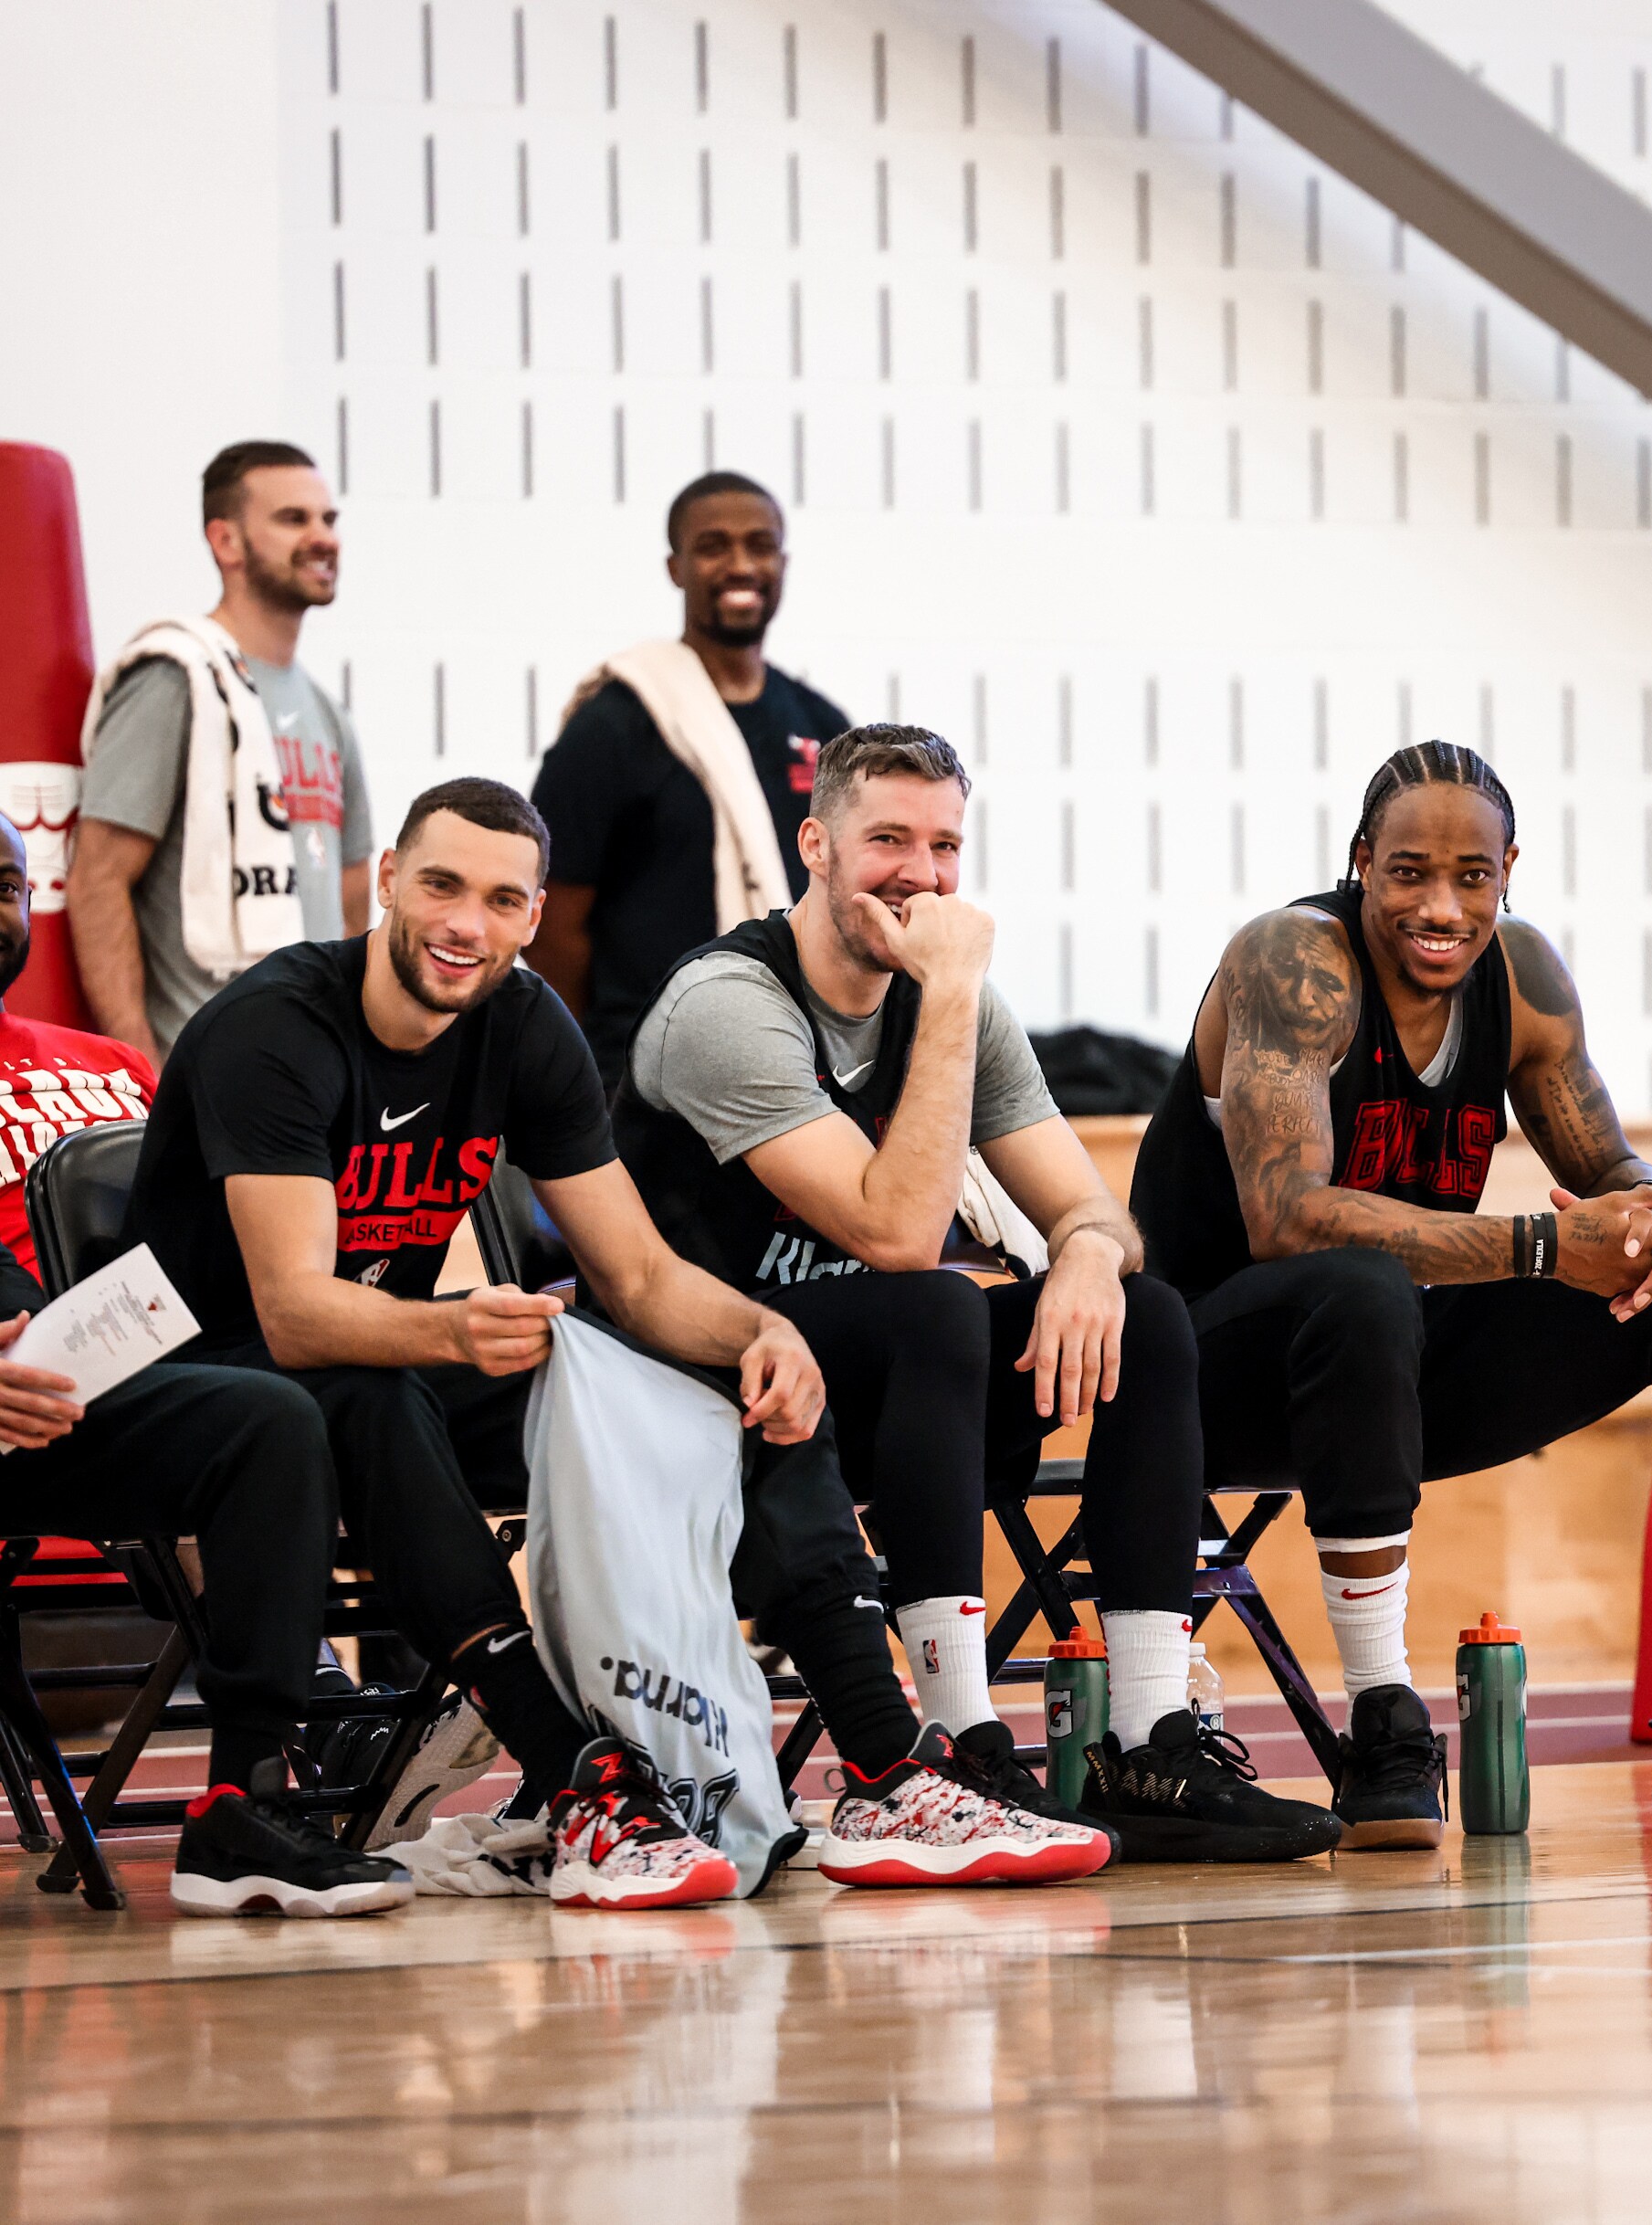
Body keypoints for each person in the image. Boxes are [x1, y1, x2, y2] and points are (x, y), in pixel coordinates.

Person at [126, 774, 1101, 1902]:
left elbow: (634, 1274)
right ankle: (575, 1777)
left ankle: (886, 1764)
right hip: (223, 1379)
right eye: (439, 885)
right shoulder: (276, 1025)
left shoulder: (525, 1022)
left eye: (500, 900)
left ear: (532, 916)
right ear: (385, 881)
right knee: (375, 1393)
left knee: (733, 1376)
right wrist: (450, 1330)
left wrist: (761, 1329)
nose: (463, 924)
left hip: (400, 1355)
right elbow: (292, 1313)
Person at [616, 722, 1342, 1865]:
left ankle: (1152, 1739)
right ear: (814, 844)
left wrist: (1088, 1262)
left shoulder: (953, 1003)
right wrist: (949, 989)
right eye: (886, 840)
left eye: (944, 845)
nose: (921, 874)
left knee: (1143, 1318)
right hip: (722, 1398)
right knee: (940, 1301)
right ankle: (955, 1742)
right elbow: (897, 1235)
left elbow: (1093, 1212)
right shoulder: (727, 1003)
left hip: (909, 1395)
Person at [1130, 740, 1652, 1847]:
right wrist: (1546, 1246)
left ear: (1507, 873)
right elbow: (1286, 1219)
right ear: (1359, 864)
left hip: (1397, 1366)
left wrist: (1650, 1221)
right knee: (1353, 1280)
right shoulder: (1288, 963)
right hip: (1218, 1370)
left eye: (1469, 876)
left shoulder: (1523, 978)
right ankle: (1382, 1721)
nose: (1439, 904)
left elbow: (1613, 1169)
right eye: (1407, 872)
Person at [0, 810, 409, 1917]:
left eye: (6, 884)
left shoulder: (116, 1068)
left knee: (292, 1401)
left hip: (94, 1368)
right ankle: (321, 1686)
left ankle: (261, 1791)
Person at [528, 472, 847, 1089]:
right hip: (646, 1070)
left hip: (794, 1056)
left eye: (759, 545)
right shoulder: (615, 725)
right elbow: (553, 926)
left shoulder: (819, 725)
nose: (740, 565)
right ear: (676, 567)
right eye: (713, 546)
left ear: (782, 561)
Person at [68, 441, 372, 1068]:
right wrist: (141, 1074)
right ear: (226, 542)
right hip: (203, 1078)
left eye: (328, 519)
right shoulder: (175, 678)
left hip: (311, 1076)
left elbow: (349, 898)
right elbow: (98, 880)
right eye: (294, 519)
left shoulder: (327, 712)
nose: (322, 537)